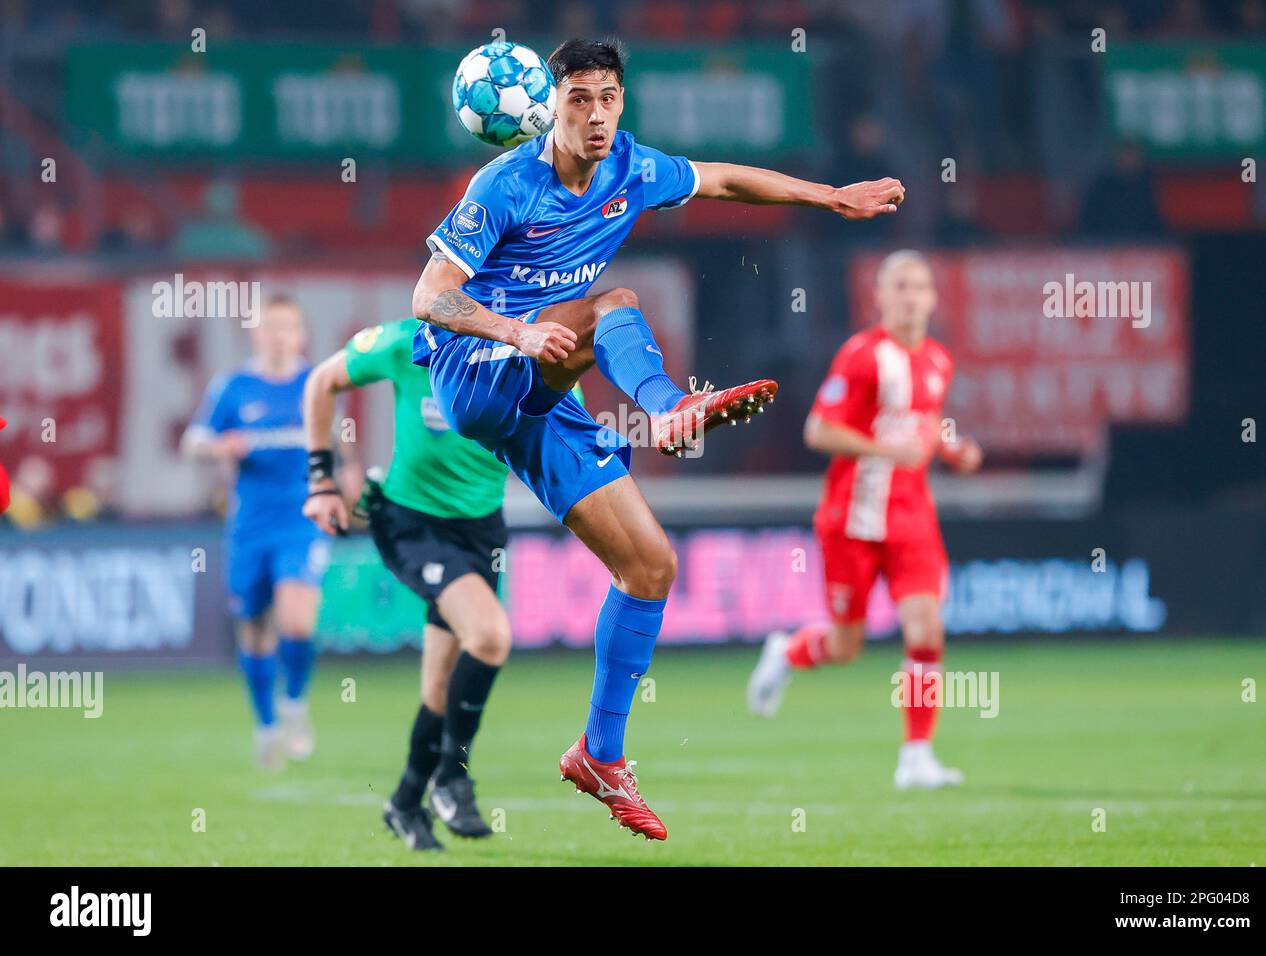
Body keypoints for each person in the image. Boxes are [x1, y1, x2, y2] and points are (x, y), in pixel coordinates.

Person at [411, 37, 905, 839]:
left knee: (650, 567)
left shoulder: (632, 168)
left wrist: (830, 198)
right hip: (474, 371)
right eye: (579, 99)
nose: (596, 115)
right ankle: (670, 408)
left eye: (608, 98)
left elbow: (724, 179)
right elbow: (429, 297)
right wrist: (514, 330)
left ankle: (600, 755)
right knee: (615, 303)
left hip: (542, 391)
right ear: (548, 106)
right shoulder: (505, 184)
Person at [302, 319, 568, 850]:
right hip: (411, 522)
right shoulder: (407, 341)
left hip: (482, 530)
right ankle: (451, 777)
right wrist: (322, 480)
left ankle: (404, 803)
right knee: (490, 637)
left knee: (440, 689)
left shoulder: (531, 354)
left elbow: (566, 437)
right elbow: (321, 382)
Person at [747, 251, 982, 789]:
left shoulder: (938, 360)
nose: (910, 296)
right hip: (851, 519)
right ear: (879, 296)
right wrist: (884, 450)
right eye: (899, 286)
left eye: (918, 286)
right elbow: (818, 430)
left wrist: (954, 449)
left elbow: (927, 422)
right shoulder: (862, 355)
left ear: (933, 298)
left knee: (926, 629)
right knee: (846, 647)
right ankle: (787, 651)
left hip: (913, 517)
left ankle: (916, 757)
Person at [182, 296, 327, 770]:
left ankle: (295, 703)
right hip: (249, 526)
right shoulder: (234, 387)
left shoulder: (317, 383)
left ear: (301, 334)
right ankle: (266, 726)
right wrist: (219, 446)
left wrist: (340, 484)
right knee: (256, 628)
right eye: (271, 326)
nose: (279, 335)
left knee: (297, 621)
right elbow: (192, 440)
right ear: (255, 332)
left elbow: (334, 444)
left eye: (288, 326)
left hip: (301, 520)